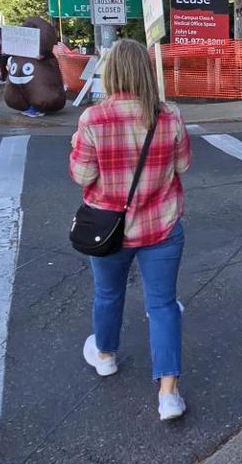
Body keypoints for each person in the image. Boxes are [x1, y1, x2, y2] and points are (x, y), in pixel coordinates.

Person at [70, 40, 193, 421]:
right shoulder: (169, 116)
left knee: (108, 294)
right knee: (163, 305)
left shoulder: (93, 119)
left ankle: (105, 355)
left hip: (109, 230)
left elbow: (82, 175)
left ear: (111, 73)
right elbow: (183, 166)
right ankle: (168, 394)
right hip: (161, 226)